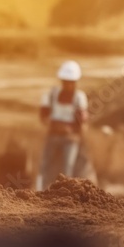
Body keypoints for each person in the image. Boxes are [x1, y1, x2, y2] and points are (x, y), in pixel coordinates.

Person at [38, 60, 89, 190]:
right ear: (62, 81)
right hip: (53, 135)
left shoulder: (79, 98)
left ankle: (66, 194)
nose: (68, 85)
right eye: (66, 81)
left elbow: (82, 121)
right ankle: (42, 191)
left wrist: (74, 132)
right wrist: (53, 124)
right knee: (45, 165)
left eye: (71, 82)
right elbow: (43, 117)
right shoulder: (52, 95)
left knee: (68, 167)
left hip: (70, 139)